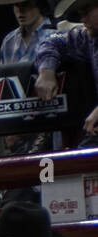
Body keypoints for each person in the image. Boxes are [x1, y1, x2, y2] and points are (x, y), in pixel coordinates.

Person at [34, 0, 98, 141]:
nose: (83, 19)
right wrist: (47, 71)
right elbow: (51, 41)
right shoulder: (89, 38)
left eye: (87, 11)